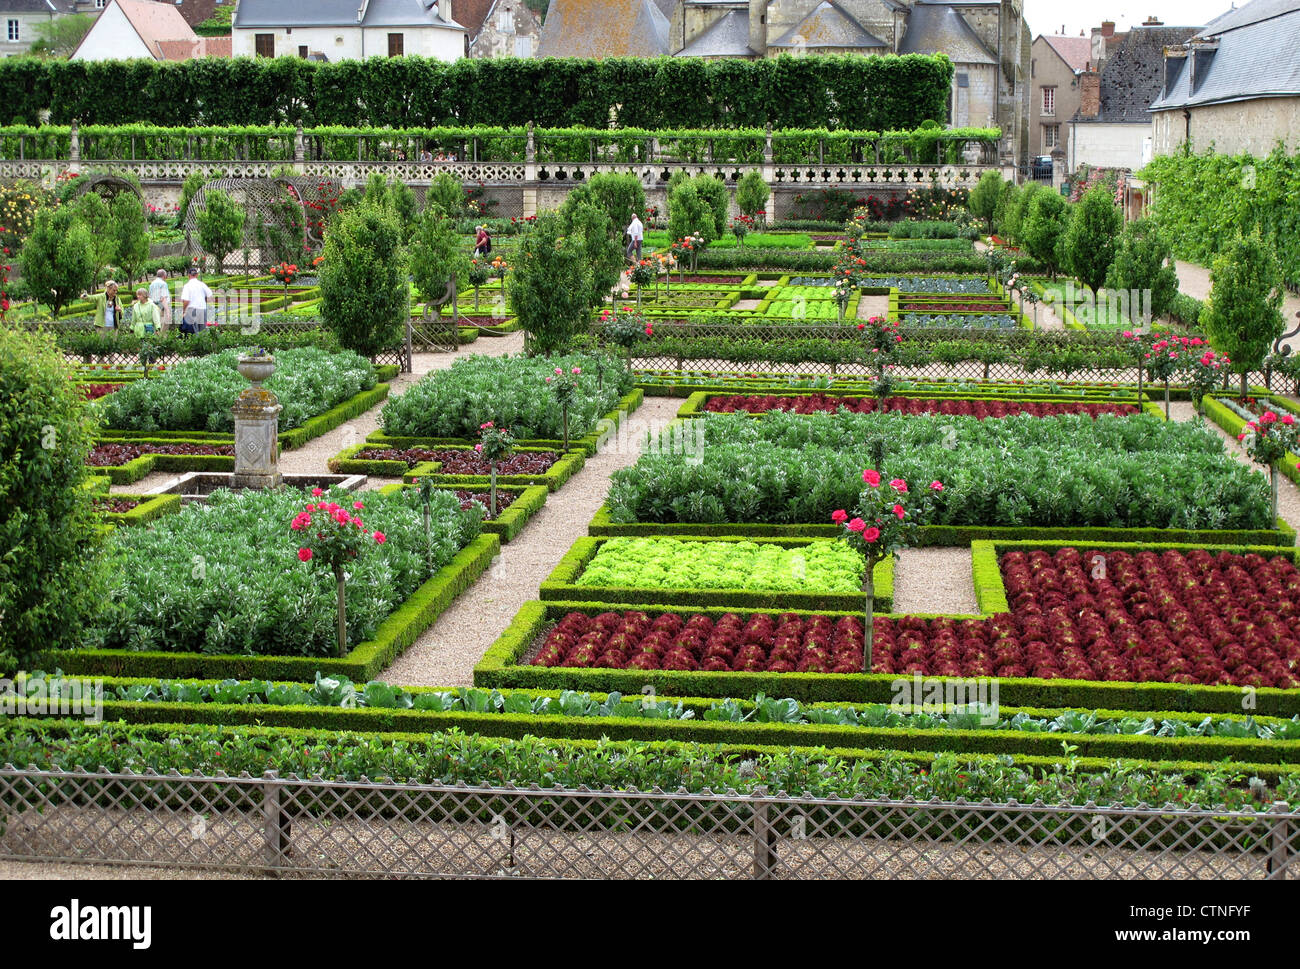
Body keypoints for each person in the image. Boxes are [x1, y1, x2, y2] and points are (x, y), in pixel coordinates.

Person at [179, 266, 213, 336]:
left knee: (194, 331)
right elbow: (209, 294)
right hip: (202, 309)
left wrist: (184, 310)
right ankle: (204, 345)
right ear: (197, 275)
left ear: (188, 275)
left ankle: (197, 345)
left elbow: (186, 300)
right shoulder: (202, 284)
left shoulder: (187, 286)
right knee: (203, 330)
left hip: (192, 310)